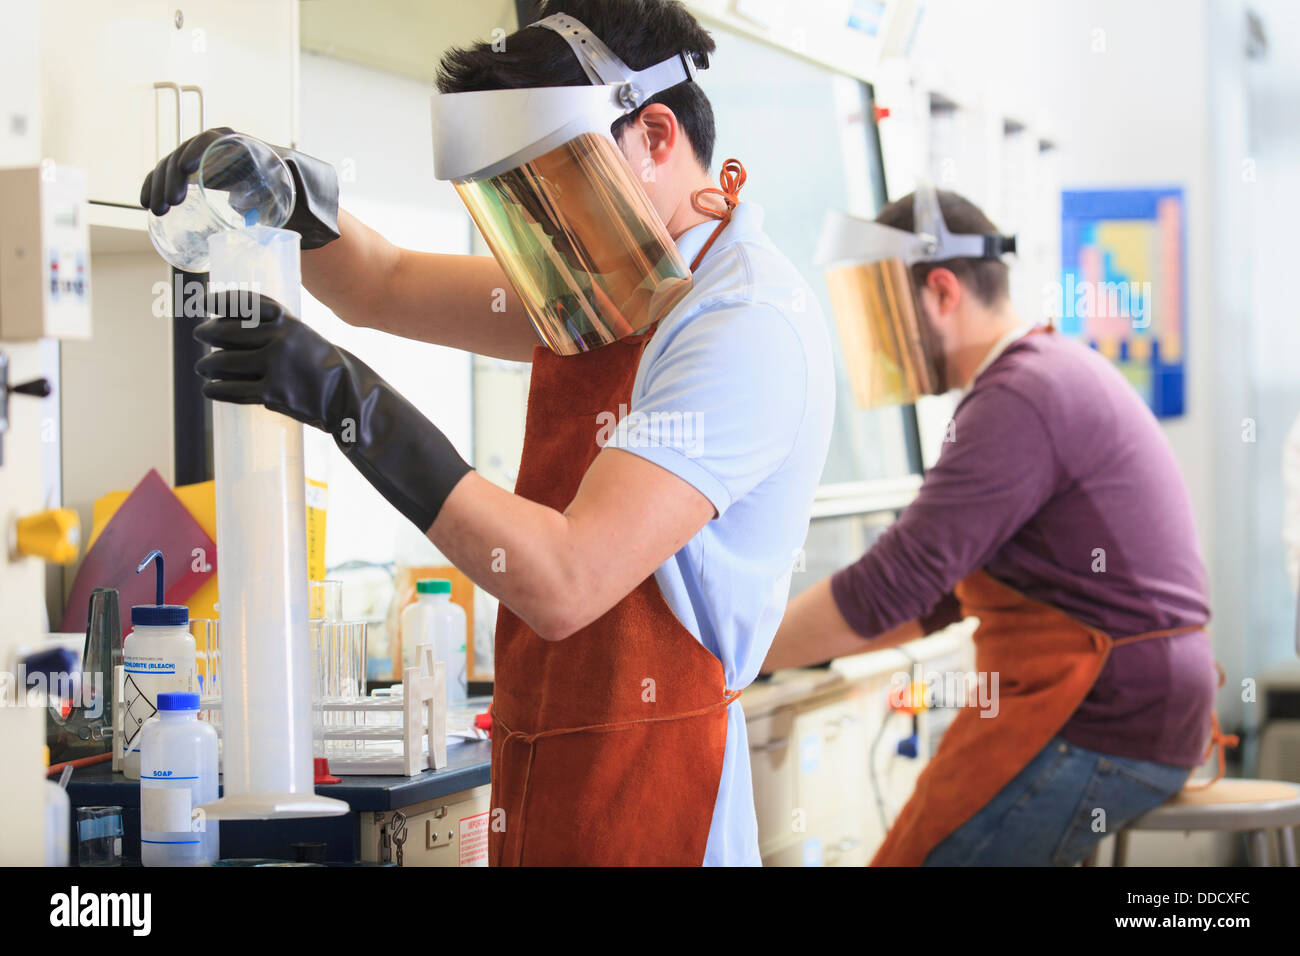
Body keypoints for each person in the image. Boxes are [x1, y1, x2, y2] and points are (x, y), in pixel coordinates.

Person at [143, 0, 833, 866]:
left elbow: (566, 579)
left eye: (550, 187)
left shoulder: (742, 323)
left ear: (655, 135)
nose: (537, 234)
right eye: (514, 202)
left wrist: (350, 402)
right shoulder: (614, 287)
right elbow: (384, 284)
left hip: (658, 788)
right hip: (543, 754)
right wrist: (290, 200)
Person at [765, 188, 1221, 866]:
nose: (879, 343)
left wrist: (740, 653)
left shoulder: (1018, 397)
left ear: (941, 292)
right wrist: (808, 648)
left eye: (882, 314)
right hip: (1144, 708)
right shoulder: (1048, 371)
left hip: (1107, 714)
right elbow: (936, 597)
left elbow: (889, 587)